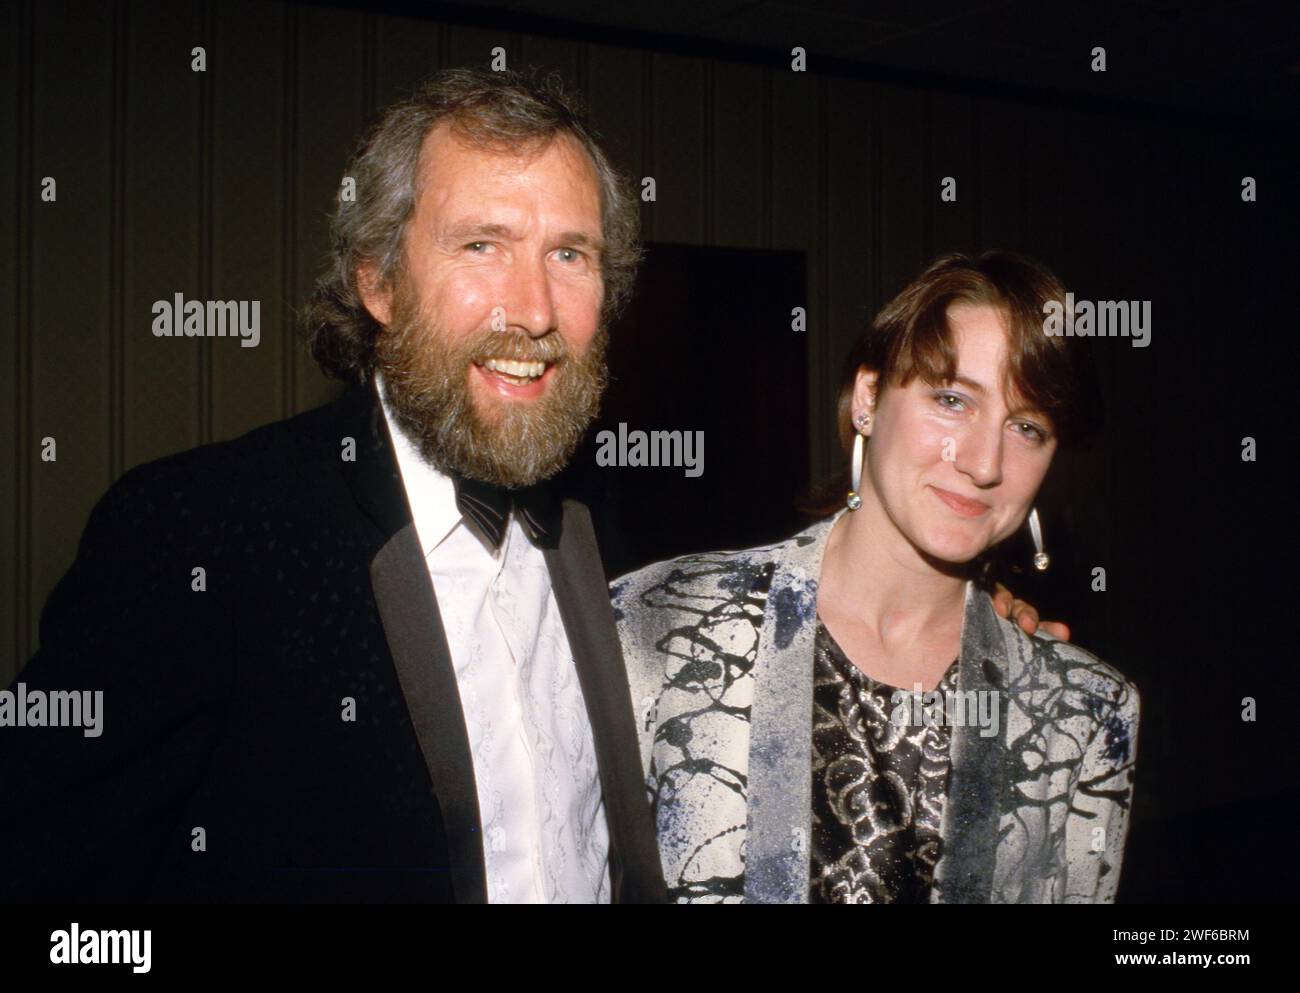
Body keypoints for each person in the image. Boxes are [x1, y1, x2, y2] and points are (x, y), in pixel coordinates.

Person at [0, 68, 664, 904]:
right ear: (376, 282)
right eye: (481, 245)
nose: (532, 309)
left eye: (570, 254)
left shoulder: (608, 527)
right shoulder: (200, 535)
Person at [613, 250, 1139, 903]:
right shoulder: (658, 624)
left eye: (1027, 426)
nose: (982, 462)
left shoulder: (1083, 713)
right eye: (952, 400)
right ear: (868, 398)